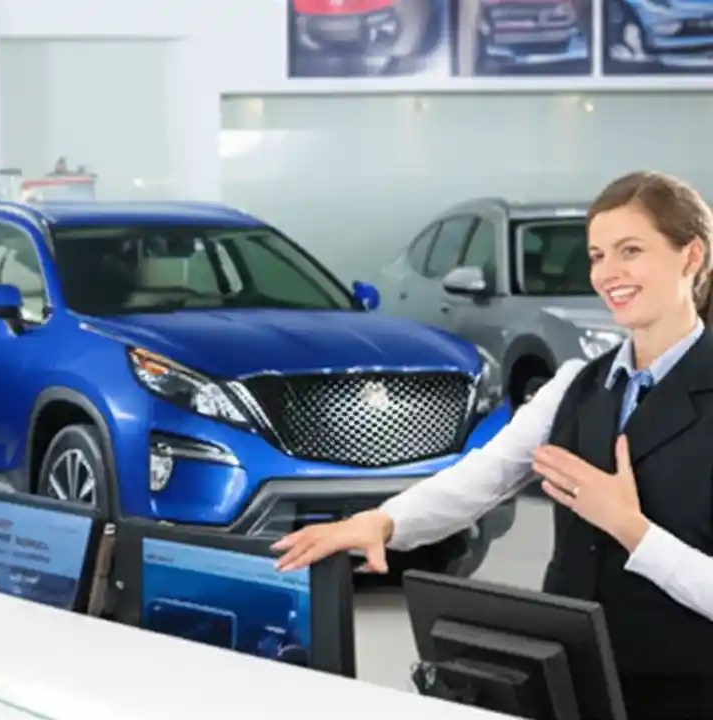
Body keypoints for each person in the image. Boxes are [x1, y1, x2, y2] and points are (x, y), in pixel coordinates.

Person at [273, 170, 713, 718]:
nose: (608, 274)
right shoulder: (577, 384)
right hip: (575, 685)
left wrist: (630, 527)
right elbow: (486, 474)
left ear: (691, 256)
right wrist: (382, 523)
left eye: (631, 250)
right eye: (598, 255)